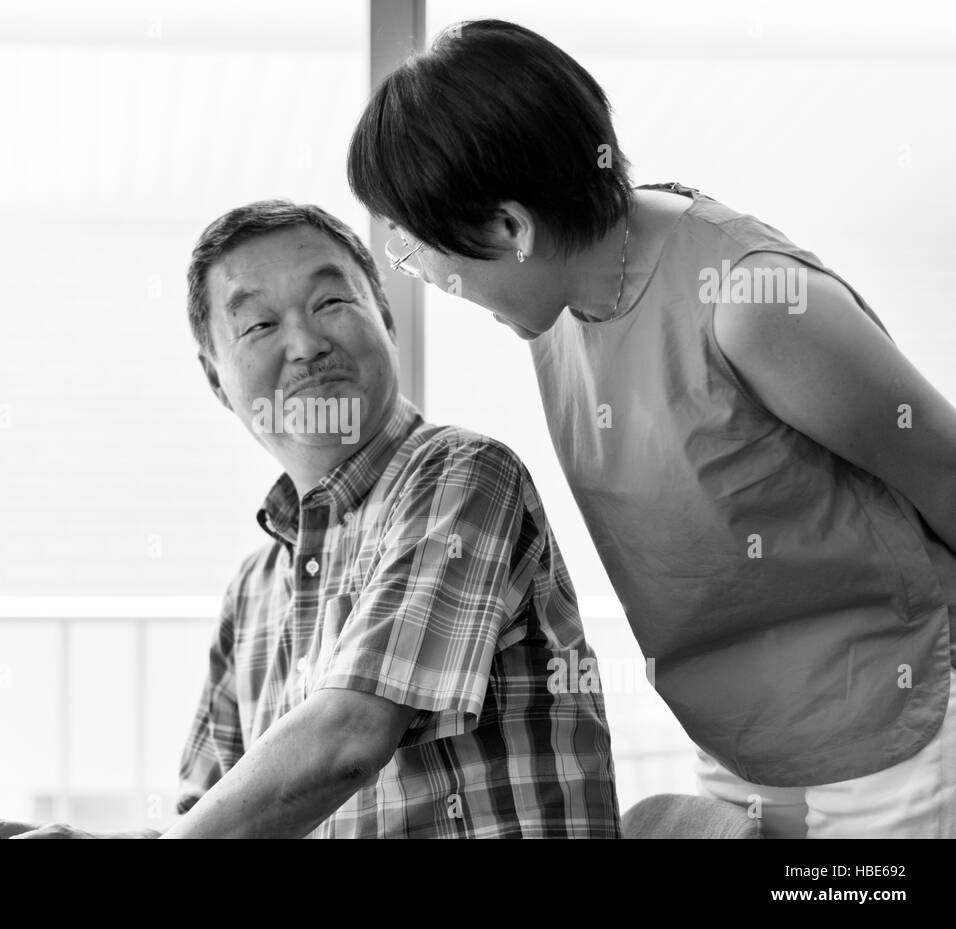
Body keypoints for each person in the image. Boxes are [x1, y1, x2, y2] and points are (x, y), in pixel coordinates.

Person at [345, 18, 956, 838]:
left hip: (899, 728)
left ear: (509, 228)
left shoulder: (748, 303)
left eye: (424, 256)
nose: (432, 281)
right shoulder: (557, 302)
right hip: (742, 741)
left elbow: (945, 473)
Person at [0, 201, 621, 838]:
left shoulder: (461, 475)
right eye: (257, 326)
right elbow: (206, 821)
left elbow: (350, 737)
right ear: (216, 380)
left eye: (331, 303)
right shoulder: (252, 590)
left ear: (386, 317)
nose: (307, 345)